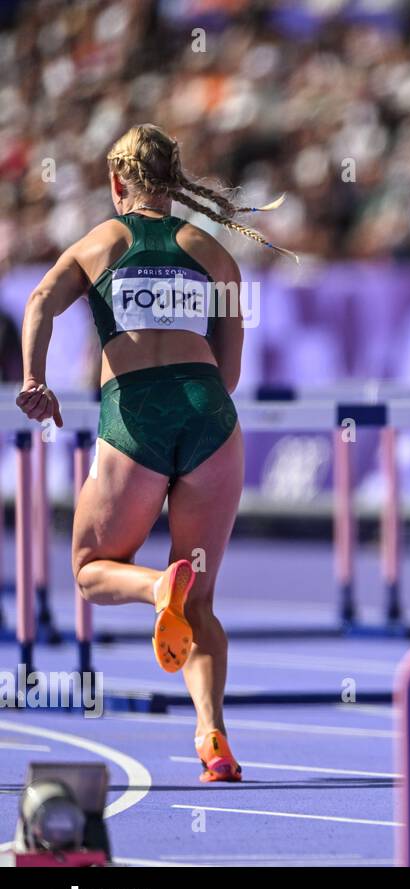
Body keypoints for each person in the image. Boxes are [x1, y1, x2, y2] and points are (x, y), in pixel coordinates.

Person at [17, 124, 289, 783]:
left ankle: (152, 586)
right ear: (176, 181)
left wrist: (34, 379)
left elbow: (40, 303)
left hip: (135, 415)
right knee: (201, 601)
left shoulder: (101, 242)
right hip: (209, 421)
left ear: (118, 184)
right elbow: (229, 370)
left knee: (90, 568)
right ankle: (213, 737)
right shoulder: (213, 252)